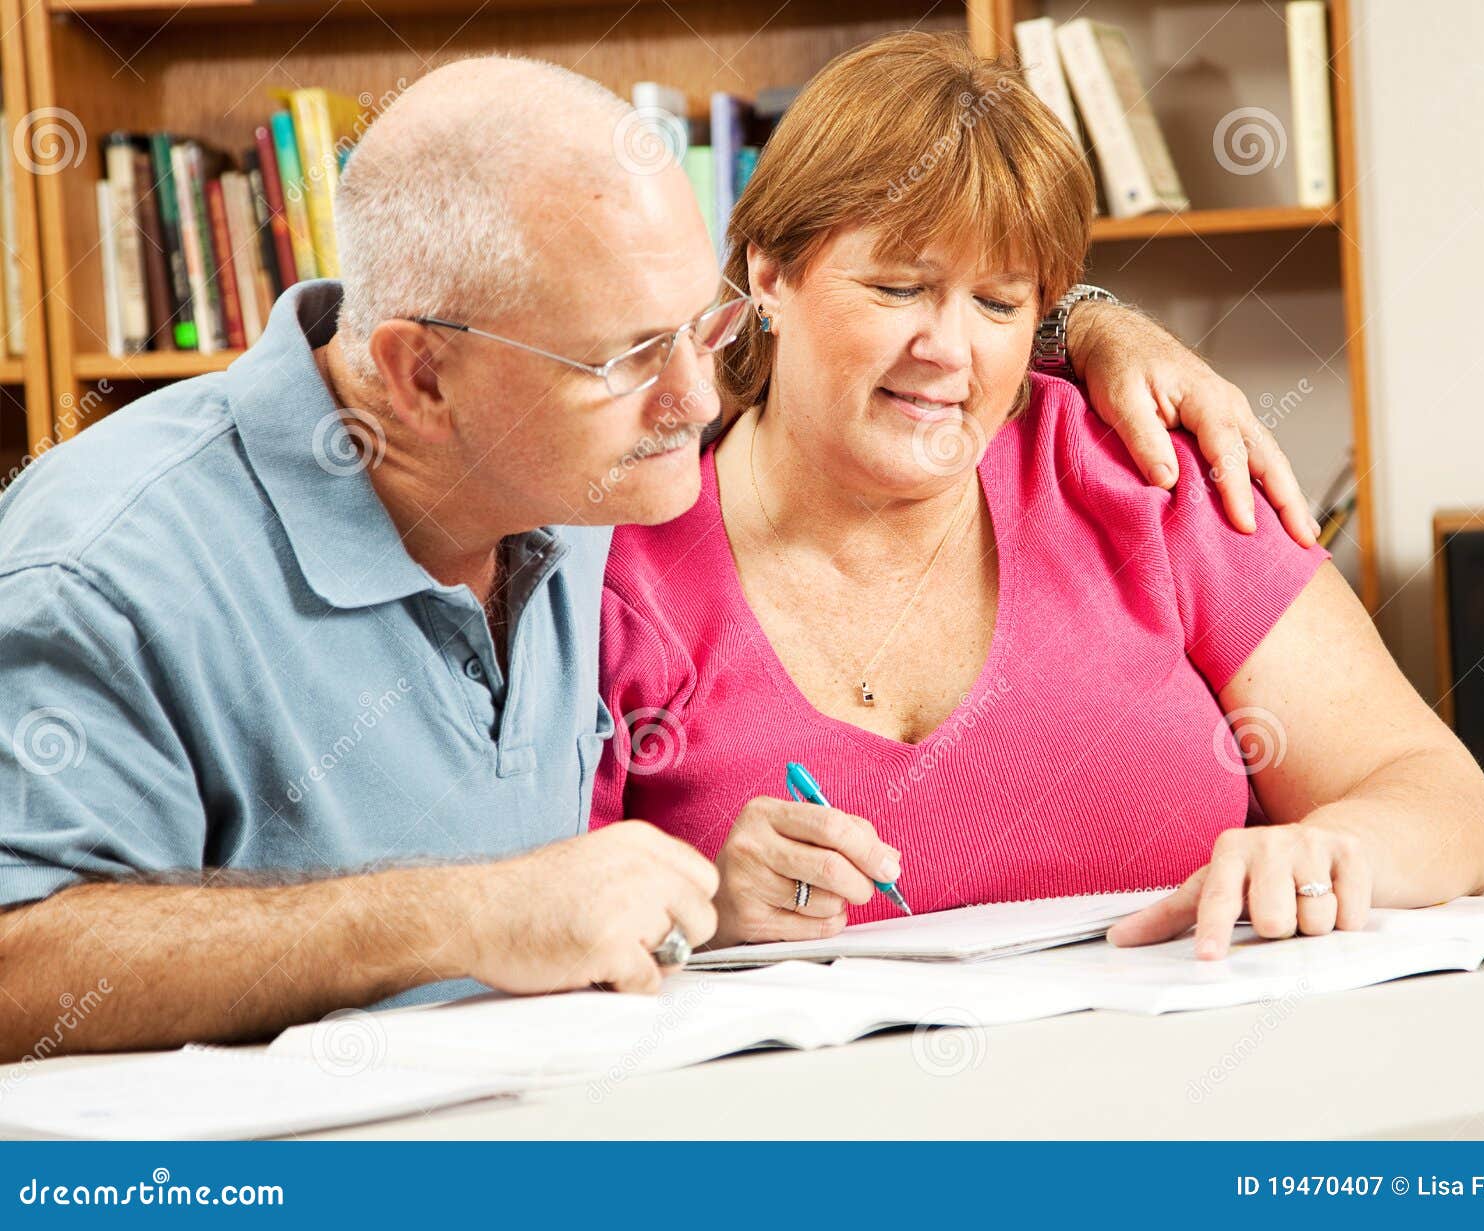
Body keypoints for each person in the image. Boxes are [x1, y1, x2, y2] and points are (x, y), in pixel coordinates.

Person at [0, 53, 1298, 1061]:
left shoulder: (569, 469)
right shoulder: (108, 564)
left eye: (703, 325)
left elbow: (897, 314)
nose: (698, 393)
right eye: (627, 355)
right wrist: (466, 914)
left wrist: (1089, 319)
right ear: (420, 372)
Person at [592, 32, 1484, 957]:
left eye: (998, 304)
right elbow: (534, 939)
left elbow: (1438, 795)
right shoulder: (621, 577)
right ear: (770, 275)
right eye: (899, 287)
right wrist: (695, 917)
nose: (949, 349)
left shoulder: (1139, 474)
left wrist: (1330, 849)